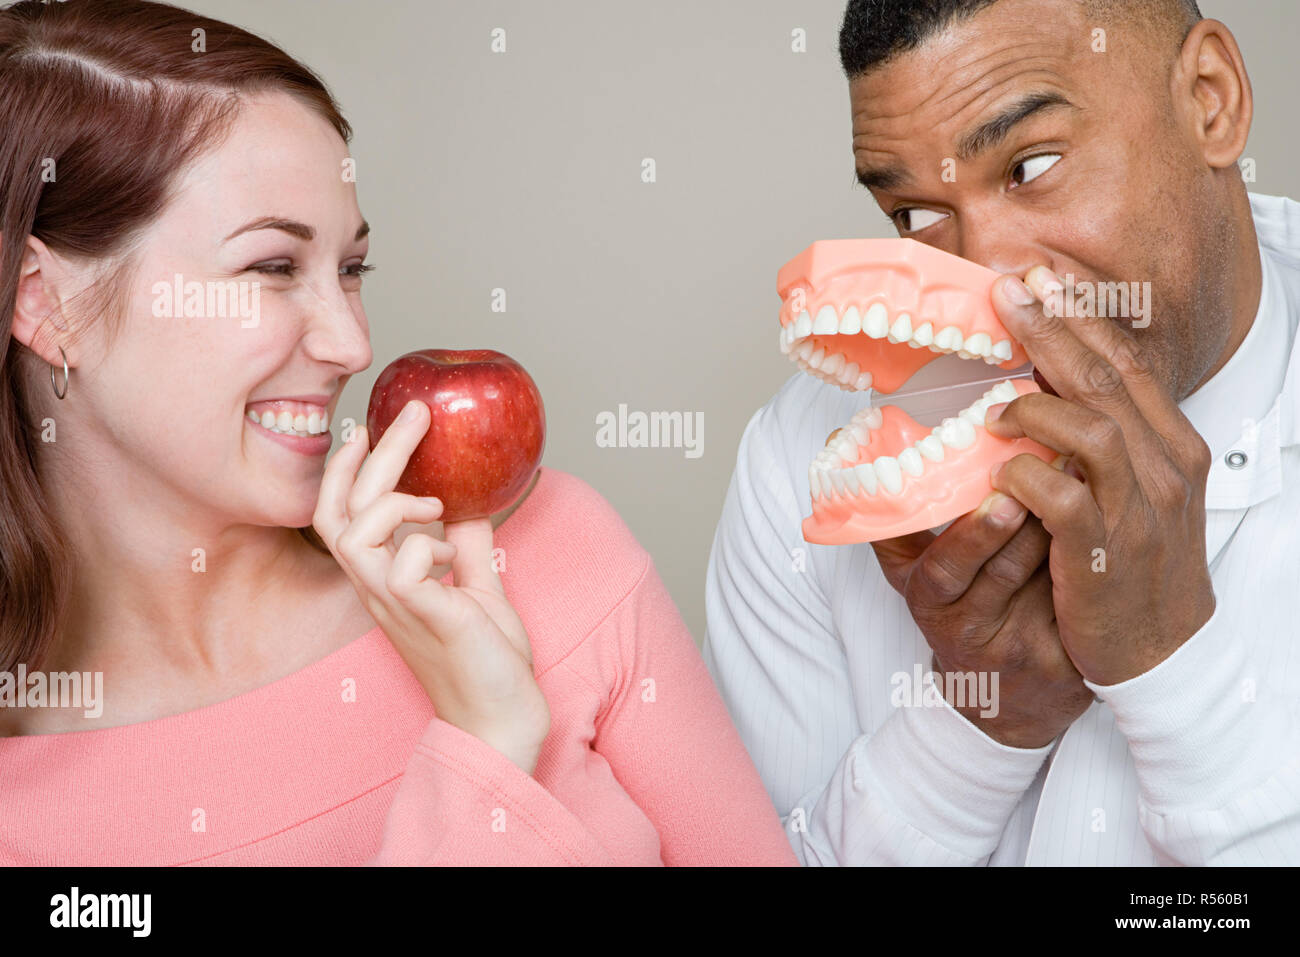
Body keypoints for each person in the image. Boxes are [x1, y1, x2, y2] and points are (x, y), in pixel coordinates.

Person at [0, 0, 796, 867]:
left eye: (352, 269)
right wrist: (486, 741)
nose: (353, 345)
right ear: (47, 302)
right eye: (272, 267)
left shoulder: (544, 553)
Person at [705, 0, 1300, 865]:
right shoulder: (804, 463)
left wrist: (1169, 667)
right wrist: (983, 719)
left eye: (1032, 165)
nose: (988, 276)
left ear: (1210, 100)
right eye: (915, 214)